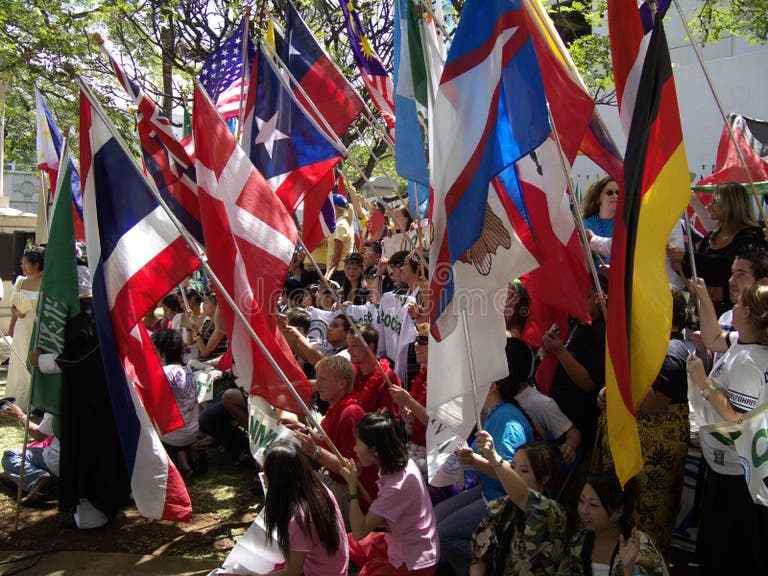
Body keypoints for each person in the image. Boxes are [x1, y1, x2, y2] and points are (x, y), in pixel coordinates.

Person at [593, 288, 690, 558]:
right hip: (632, 464)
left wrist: (631, 350)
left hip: (651, 474)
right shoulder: (654, 350)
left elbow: (652, 404)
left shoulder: (671, 351)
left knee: (644, 529)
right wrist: (607, 393)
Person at [686, 278, 768, 575]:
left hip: (738, 480)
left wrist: (703, 382)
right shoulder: (745, 342)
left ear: (746, 313)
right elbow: (715, 338)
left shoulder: (749, 362)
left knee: (733, 556)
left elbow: (737, 424)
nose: (733, 304)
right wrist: (704, 297)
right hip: (729, 471)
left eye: (739, 302)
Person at [436, 374, 534, 576]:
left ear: (492, 387)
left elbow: (512, 475)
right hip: (487, 490)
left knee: (444, 534)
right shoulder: (497, 413)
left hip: (503, 499)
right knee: (436, 516)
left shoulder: (508, 420)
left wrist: (473, 460)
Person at [342, 411, 439, 576]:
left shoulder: (396, 486)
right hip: (407, 541)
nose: (354, 449)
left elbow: (360, 532)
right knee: (344, 543)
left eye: (358, 444)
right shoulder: (402, 462)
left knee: (355, 540)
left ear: (376, 451)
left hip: (414, 562)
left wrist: (352, 486)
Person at [288, 355, 379, 526]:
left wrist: (314, 451)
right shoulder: (340, 409)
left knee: (289, 474)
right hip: (343, 488)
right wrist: (303, 428)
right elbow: (329, 442)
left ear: (341, 383)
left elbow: (354, 470)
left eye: (323, 379)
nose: (317, 384)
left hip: (355, 498)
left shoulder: (350, 414)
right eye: (318, 378)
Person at [470, 433, 566, 576]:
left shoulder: (551, 511)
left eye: (524, 471)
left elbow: (524, 497)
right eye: (512, 467)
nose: (515, 475)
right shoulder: (499, 506)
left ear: (545, 478)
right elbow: (479, 556)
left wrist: (493, 456)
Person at [261, 442, 349, 576]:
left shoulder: (298, 519)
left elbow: (292, 572)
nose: (262, 477)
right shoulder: (318, 488)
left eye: (265, 472)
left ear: (277, 479)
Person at [681, 182, 766, 316]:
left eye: (714, 201)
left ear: (730, 204)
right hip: (706, 310)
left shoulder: (751, 235)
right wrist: (677, 261)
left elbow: (726, 264)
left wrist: (684, 256)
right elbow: (698, 269)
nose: (709, 205)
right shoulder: (711, 236)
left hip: (737, 311)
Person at [557, 473, 668, 576]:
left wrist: (629, 570)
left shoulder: (640, 550)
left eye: (593, 505)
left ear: (618, 511)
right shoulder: (580, 540)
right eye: (581, 501)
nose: (583, 510)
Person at [151, 328, 200, 484]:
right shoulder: (188, 369)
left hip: (173, 435)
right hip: (192, 430)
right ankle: (187, 456)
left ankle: (183, 464)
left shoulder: (165, 373)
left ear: (162, 351)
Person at [0, 402, 59, 505]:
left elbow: (39, 435)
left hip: (58, 461)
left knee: (10, 456)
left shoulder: (57, 405)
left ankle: (38, 481)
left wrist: (20, 416)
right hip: (88, 465)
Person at [7, 247, 44, 411]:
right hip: (22, 327)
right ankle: (18, 399)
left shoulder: (46, 281)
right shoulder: (21, 281)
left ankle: (37, 401)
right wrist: (16, 315)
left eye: (25, 264)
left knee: (33, 362)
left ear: (36, 264)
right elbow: (13, 307)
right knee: (19, 362)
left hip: (37, 327)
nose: (22, 267)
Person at [581, 177, 619, 266]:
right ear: (598, 198)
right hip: (596, 278)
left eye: (618, 192)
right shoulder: (586, 224)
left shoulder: (625, 223)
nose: (615, 196)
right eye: (610, 193)